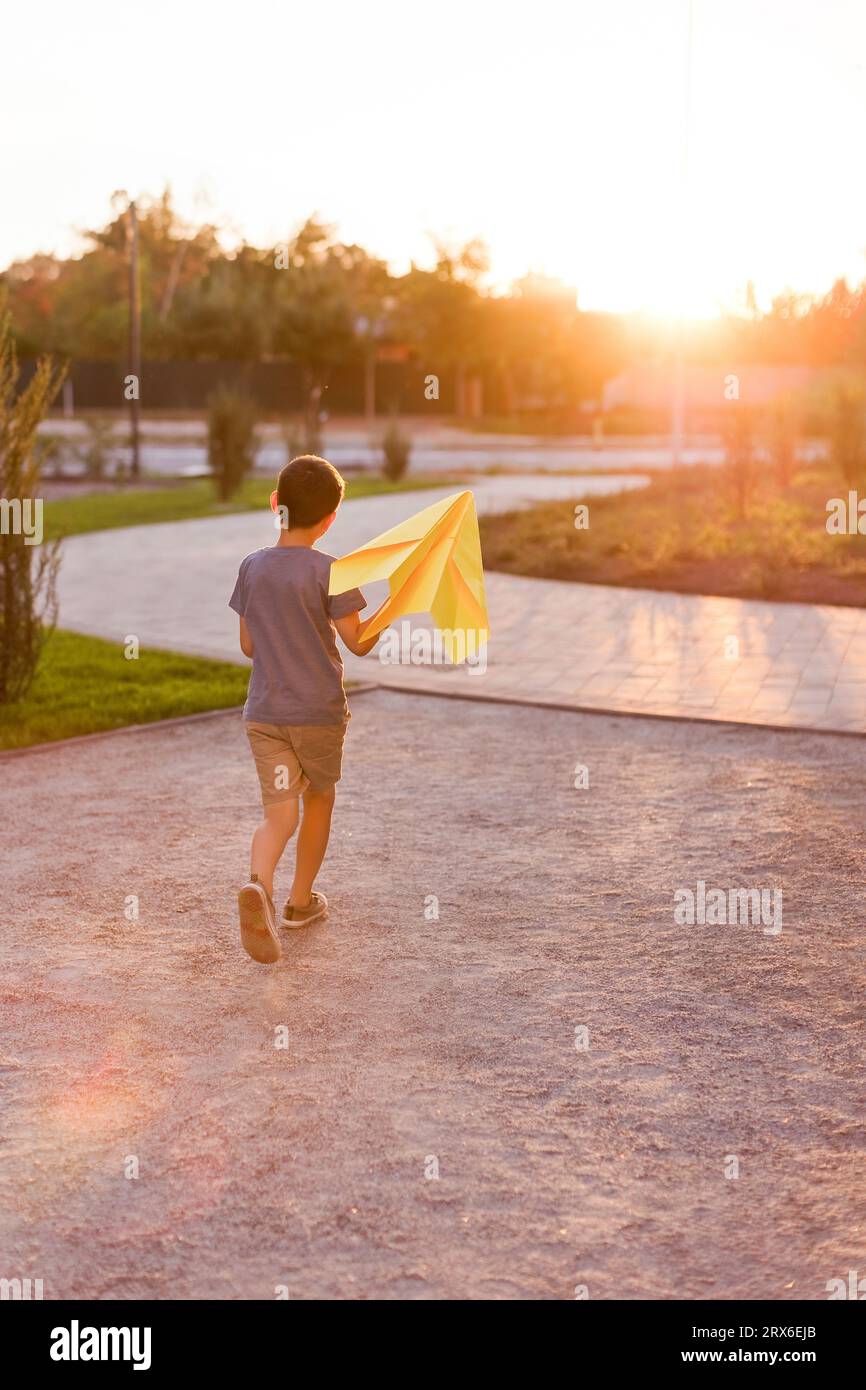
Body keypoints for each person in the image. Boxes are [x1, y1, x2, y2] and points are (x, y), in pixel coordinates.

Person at [229, 454, 378, 963]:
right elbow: (358, 643)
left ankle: (258, 887)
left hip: (265, 714)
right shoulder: (333, 571)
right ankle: (298, 903)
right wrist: (390, 609)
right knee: (318, 799)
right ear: (331, 518)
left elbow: (249, 645)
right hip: (317, 716)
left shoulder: (252, 566)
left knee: (278, 817)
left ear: (276, 505)